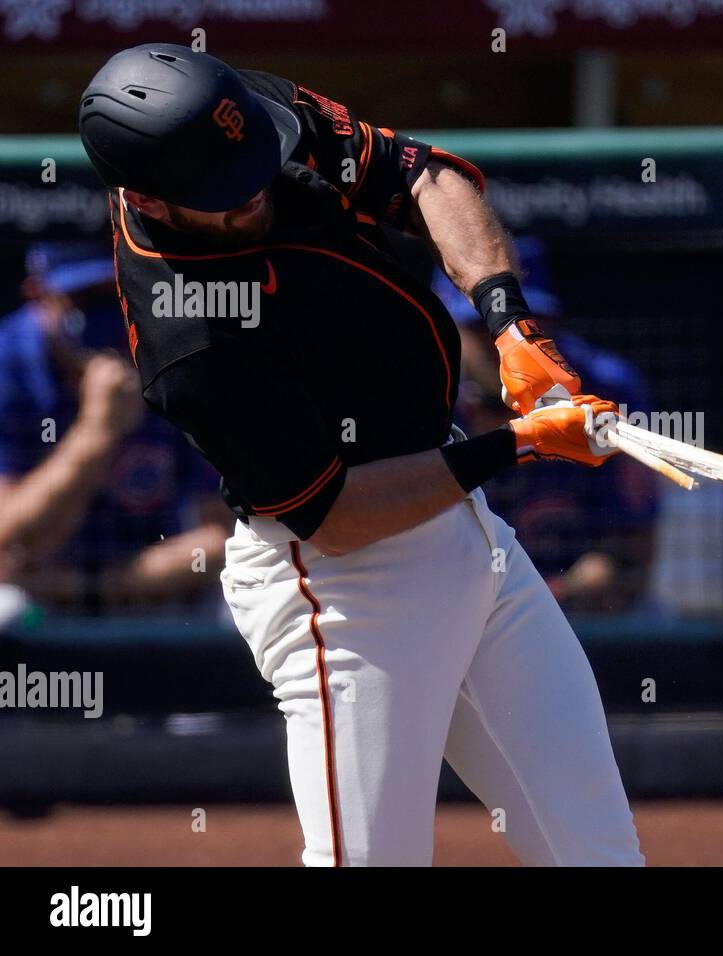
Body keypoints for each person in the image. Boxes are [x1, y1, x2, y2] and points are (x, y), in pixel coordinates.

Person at [78, 43, 643, 866]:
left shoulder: (236, 119)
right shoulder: (190, 340)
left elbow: (424, 174)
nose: (256, 197)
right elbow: (334, 515)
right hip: (343, 587)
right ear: (149, 199)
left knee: (598, 853)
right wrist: (517, 446)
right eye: (226, 201)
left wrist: (510, 321)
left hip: (469, 542)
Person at [0, 241, 228, 614]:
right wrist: (97, 431)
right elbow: (7, 546)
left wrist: (96, 588)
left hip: (145, 577)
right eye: (84, 299)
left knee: (238, 608)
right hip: (35, 590)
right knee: (6, 610)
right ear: (38, 296)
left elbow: (219, 538)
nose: (107, 317)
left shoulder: (174, 359)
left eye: (119, 295)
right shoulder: (8, 362)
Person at [437, 237, 658, 613]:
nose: (503, 346)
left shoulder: (604, 388)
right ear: (446, 328)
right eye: (482, 327)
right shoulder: (418, 399)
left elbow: (636, 554)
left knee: (653, 619)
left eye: (524, 328)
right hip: (451, 604)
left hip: (576, 605)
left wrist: (593, 576)